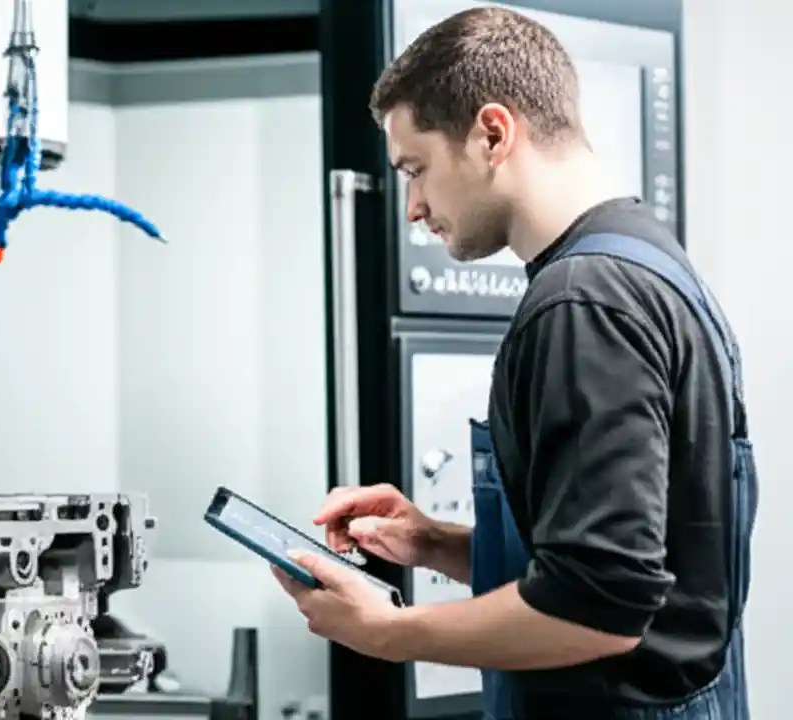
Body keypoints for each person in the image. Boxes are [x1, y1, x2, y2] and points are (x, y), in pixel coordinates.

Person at [270, 6, 757, 719]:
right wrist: (435, 543)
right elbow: (623, 561)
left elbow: (600, 605)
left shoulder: (582, 303)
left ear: (493, 133)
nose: (412, 208)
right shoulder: (646, 263)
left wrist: (392, 633)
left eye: (417, 170)